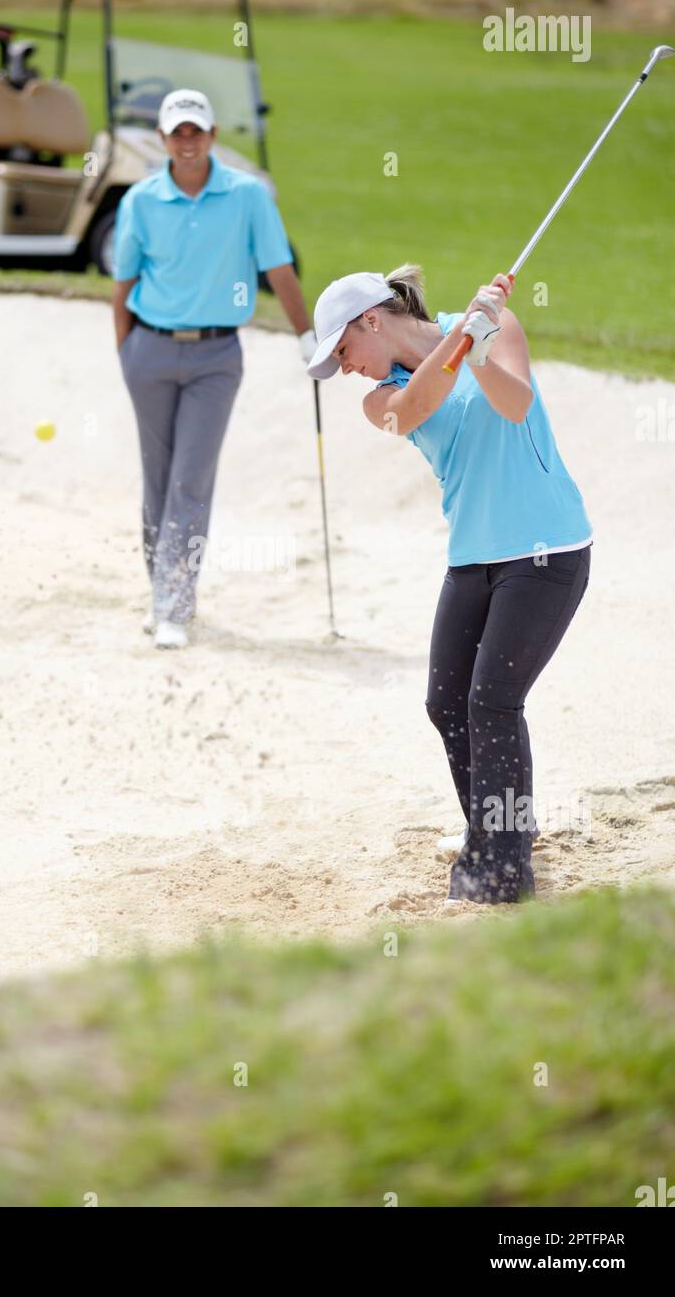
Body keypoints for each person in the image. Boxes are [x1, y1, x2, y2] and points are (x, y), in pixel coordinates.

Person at [306, 265, 593, 905]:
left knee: (492, 701)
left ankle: (504, 869)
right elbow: (417, 407)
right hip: (473, 557)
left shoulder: (493, 328)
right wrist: (463, 339)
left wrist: (482, 346)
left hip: (546, 550)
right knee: (446, 701)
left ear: (371, 318)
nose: (346, 367)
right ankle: (497, 827)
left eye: (344, 350)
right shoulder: (380, 399)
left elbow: (514, 403)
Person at [112, 88, 315, 649]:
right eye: (177, 132)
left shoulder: (248, 196)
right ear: (162, 138)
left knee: (191, 479)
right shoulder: (141, 199)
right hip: (149, 351)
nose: (187, 141)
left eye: (195, 131)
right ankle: (163, 593)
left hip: (216, 358)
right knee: (157, 479)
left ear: (213, 135)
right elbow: (123, 283)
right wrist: (125, 352)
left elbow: (280, 270)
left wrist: (306, 338)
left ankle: (176, 605)